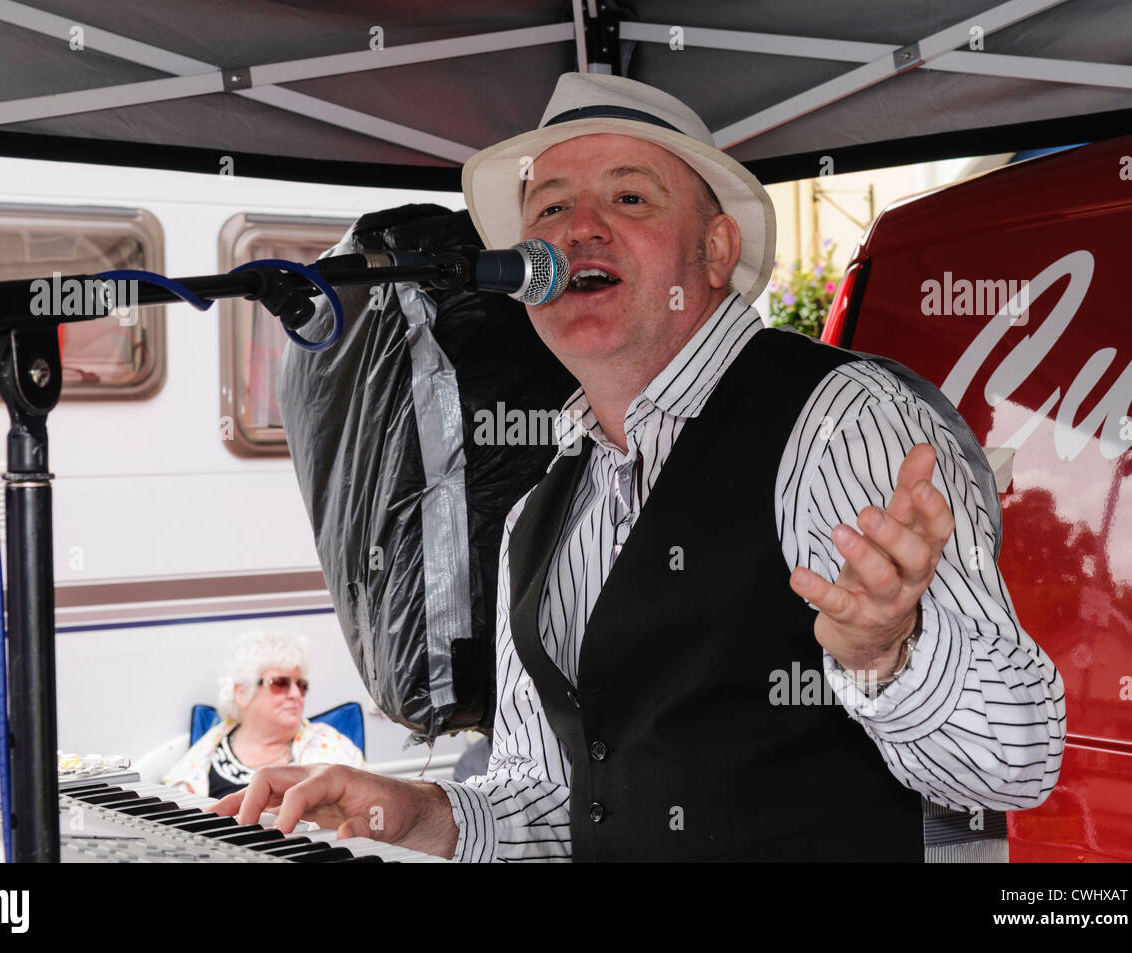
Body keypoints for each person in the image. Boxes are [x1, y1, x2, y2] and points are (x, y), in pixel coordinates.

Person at [216, 73, 1066, 861]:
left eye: (629, 196)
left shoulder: (841, 420)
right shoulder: (540, 512)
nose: (579, 227)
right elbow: (554, 804)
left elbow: (1015, 764)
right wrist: (415, 813)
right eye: (549, 208)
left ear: (714, 251)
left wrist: (890, 652)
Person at [162, 630, 363, 798]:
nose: (295, 694)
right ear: (242, 693)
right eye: (280, 683)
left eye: (301, 685)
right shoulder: (207, 751)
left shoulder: (331, 746)